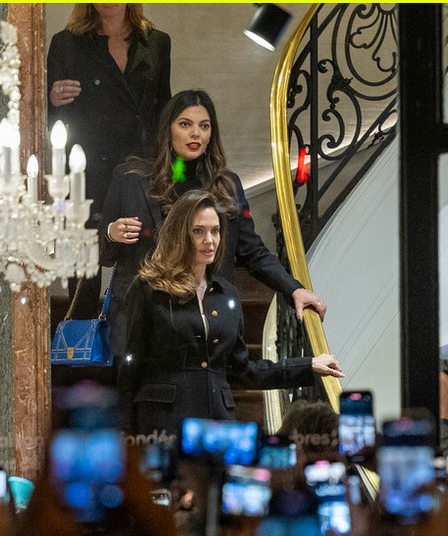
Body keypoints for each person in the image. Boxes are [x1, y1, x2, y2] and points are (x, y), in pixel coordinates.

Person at [102, 89, 327, 356]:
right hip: (143, 325)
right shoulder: (131, 178)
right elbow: (103, 255)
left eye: (204, 126)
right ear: (168, 130)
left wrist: (294, 290)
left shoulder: (226, 187)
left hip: (207, 322)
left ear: (212, 134)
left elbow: (252, 252)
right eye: (185, 124)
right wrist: (110, 233)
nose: (196, 133)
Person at [117, 190, 343, 437]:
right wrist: (126, 432)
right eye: (198, 231)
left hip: (219, 423)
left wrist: (309, 365)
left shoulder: (227, 295)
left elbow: (244, 370)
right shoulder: (149, 288)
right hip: (164, 423)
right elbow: (129, 366)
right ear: (179, 235)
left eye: (215, 231)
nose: (210, 240)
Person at [48, 4, 171, 319]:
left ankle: (128, 358)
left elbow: (164, 115)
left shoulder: (156, 42)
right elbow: (52, 123)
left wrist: (174, 175)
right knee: (84, 275)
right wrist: (50, 99)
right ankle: (82, 359)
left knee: (137, 271)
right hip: (84, 175)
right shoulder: (67, 43)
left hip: (137, 172)